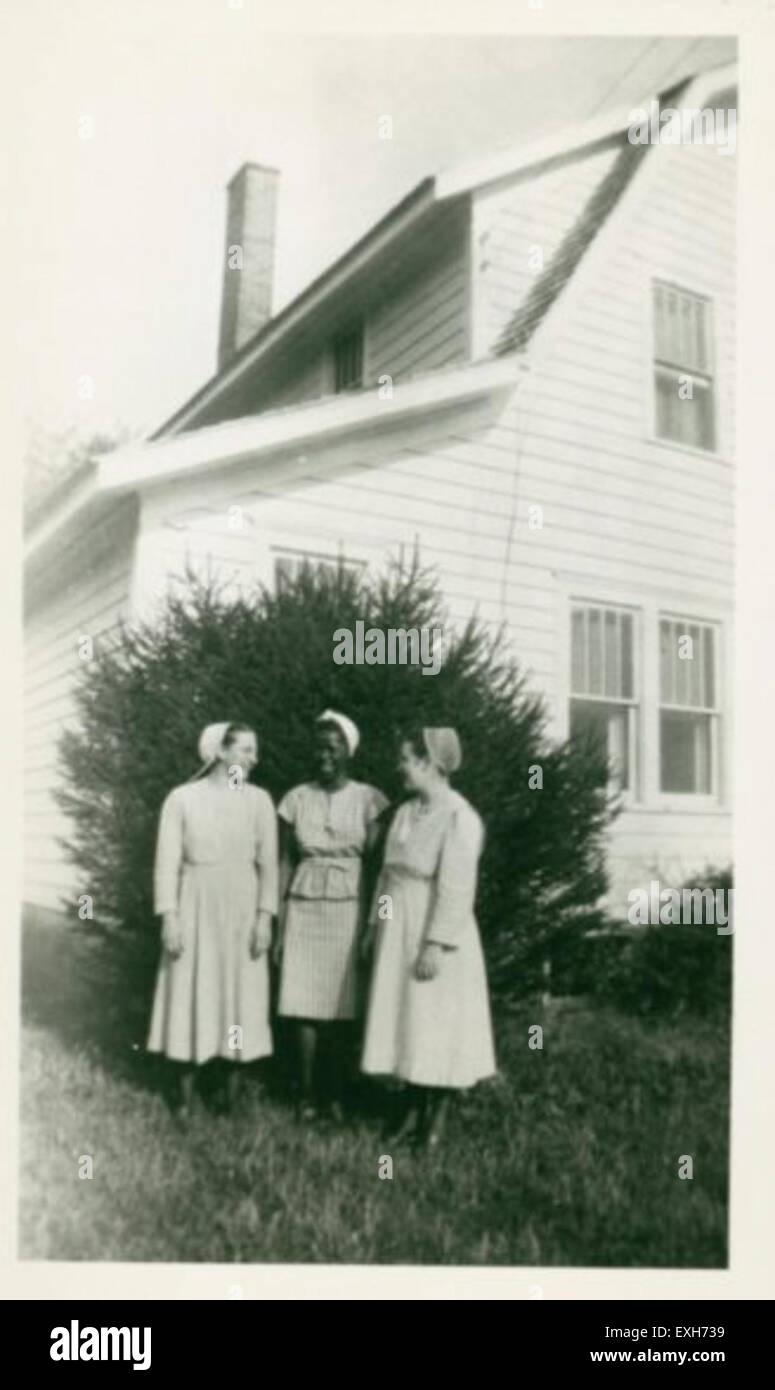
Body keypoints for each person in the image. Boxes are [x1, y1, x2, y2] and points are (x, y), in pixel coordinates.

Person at [361, 727, 496, 1150]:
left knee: (436, 1023)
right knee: (408, 1021)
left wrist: (436, 943)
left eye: (406, 759)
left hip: (434, 931)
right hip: (397, 926)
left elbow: (457, 887)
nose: (399, 767)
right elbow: (388, 875)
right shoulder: (404, 812)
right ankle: (410, 1111)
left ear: (430, 763)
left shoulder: (460, 817)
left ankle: (434, 1119)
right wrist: (373, 926)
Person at [147, 721, 278, 1120]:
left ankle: (229, 1099)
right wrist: (169, 916)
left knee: (239, 995)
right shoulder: (182, 799)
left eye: (254, 752)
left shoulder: (259, 801)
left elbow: (270, 866)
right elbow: (166, 864)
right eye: (245, 750)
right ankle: (184, 1099)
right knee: (189, 988)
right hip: (195, 903)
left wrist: (264, 918)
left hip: (242, 905)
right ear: (220, 752)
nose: (253, 759)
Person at [275, 710, 388, 1119]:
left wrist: (372, 924)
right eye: (319, 746)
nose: (323, 755)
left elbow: (379, 869)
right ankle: (305, 1097)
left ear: (348, 753)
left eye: (332, 747)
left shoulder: (369, 800)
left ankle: (335, 1096)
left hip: (349, 909)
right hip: (304, 906)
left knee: (341, 1007)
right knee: (301, 1001)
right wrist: (279, 924)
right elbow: (285, 863)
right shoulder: (295, 799)